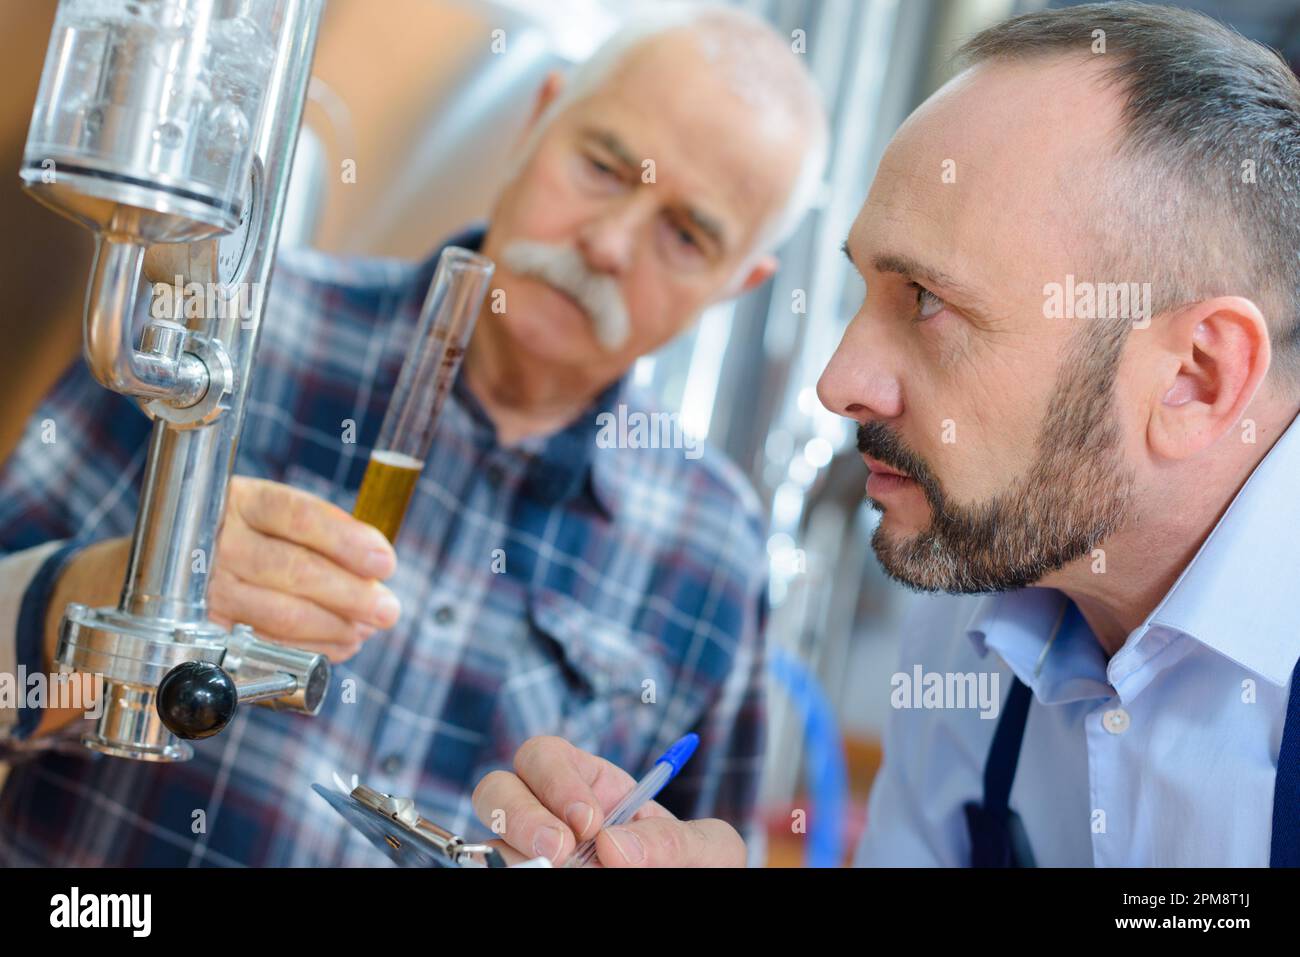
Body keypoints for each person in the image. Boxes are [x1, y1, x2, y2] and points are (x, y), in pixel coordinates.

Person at [473, 2, 1300, 867]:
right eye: (864, 288)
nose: (838, 385)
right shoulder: (978, 623)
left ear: (1195, 376)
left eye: (928, 301)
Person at [0, 5, 827, 866]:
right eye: (603, 165)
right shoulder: (227, 331)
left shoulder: (715, 553)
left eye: (687, 234)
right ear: (538, 115)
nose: (611, 242)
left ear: (741, 283)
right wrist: (129, 592)